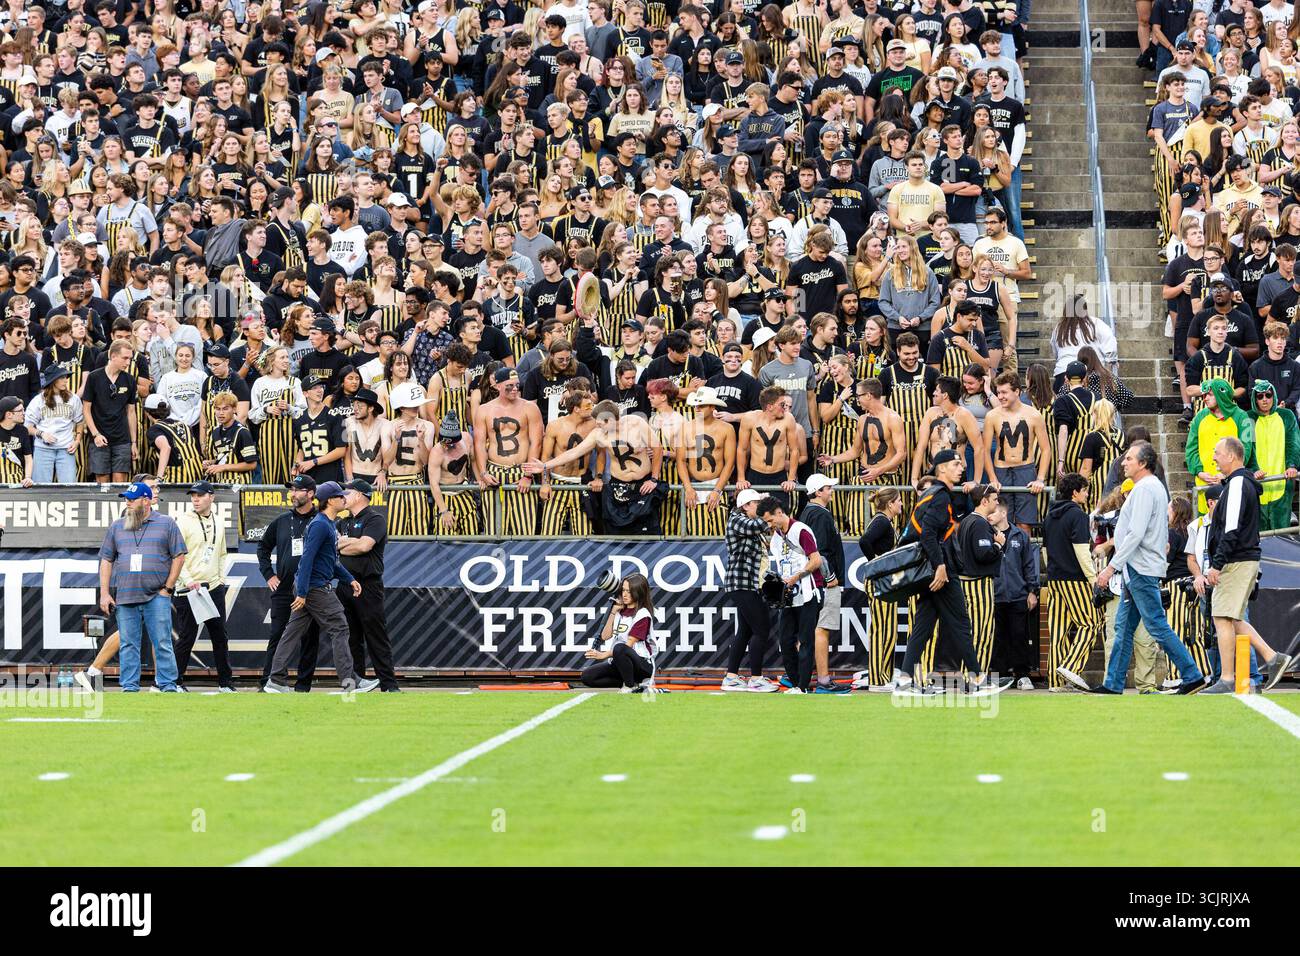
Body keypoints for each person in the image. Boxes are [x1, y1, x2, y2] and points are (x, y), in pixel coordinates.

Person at [1060, 442, 1212, 695]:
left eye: (1129, 458)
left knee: (1156, 625)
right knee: (1124, 628)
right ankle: (1113, 683)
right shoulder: (1153, 488)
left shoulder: (1144, 489)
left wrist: (1110, 569)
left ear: (1142, 463)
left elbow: (1136, 533)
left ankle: (1192, 675)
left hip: (1139, 569)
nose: (1123, 462)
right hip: (1137, 569)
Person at [895, 449, 1007, 693]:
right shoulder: (940, 495)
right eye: (956, 464)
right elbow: (928, 534)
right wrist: (941, 567)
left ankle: (904, 680)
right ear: (941, 468)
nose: (961, 468)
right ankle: (977, 679)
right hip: (940, 572)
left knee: (923, 627)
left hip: (930, 571)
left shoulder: (934, 493)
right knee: (960, 623)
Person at [264, 480, 380, 694]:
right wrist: (302, 592)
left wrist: (349, 579)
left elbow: (329, 561)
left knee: (292, 632)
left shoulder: (326, 523)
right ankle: (350, 681)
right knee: (340, 628)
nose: (345, 499)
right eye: (341, 496)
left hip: (311, 585)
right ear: (331, 501)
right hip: (315, 587)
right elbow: (307, 559)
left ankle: (276, 680)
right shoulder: (320, 524)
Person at [1201, 437, 1293, 693]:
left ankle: (1228, 679)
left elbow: (1231, 529)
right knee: (1234, 617)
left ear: (1232, 456)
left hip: (1236, 560)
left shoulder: (1239, 483)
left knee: (1221, 616)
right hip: (1243, 558)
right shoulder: (1240, 482)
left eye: (1217, 453)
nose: (1214, 458)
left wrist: (1217, 564)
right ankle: (1273, 658)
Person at [97, 480, 185, 693]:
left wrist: (168, 588)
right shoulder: (117, 526)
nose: (127, 502)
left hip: (157, 594)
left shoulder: (166, 523)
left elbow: (179, 556)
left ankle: (167, 685)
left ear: (146, 501)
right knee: (128, 644)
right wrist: (105, 593)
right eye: (125, 499)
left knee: (162, 642)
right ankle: (129, 687)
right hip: (126, 596)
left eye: (131, 499)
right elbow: (106, 560)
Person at [256, 475, 322, 693]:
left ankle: (303, 687)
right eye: (291, 490)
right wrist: (269, 575)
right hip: (284, 590)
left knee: (309, 639)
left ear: (311, 494)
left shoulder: (321, 521)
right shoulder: (282, 521)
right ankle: (270, 682)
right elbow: (263, 548)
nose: (292, 494)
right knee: (277, 635)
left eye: (297, 490)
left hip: (312, 588)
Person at [336, 478, 400, 692]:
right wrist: (349, 544)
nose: (343, 497)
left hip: (368, 585)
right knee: (350, 638)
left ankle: (389, 685)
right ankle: (357, 683)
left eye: (347, 493)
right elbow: (333, 546)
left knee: (376, 636)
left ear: (359, 495)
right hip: (344, 585)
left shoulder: (375, 519)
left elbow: (364, 546)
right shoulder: (341, 521)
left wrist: (346, 544)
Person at [1042, 471, 1103, 691]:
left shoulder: (1049, 515)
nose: (1087, 494)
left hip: (1055, 579)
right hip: (1075, 579)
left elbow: (1045, 550)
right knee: (1092, 623)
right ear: (1075, 492)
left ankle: (1056, 682)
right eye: (1085, 490)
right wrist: (1093, 579)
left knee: (1058, 630)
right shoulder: (1077, 515)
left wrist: (1052, 572)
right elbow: (1081, 550)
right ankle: (1070, 666)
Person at [172, 480, 234, 692]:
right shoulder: (183, 521)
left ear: (211, 497)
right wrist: (188, 581)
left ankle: (226, 683)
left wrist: (220, 580)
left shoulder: (219, 520)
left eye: (200, 495)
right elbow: (177, 556)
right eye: (193, 496)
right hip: (188, 589)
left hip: (213, 587)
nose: (195, 499)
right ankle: (176, 681)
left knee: (220, 636)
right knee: (187, 637)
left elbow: (222, 553)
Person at [759, 495, 824, 694]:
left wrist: (797, 575)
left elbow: (816, 560)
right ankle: (796, 682)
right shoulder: (776, 538)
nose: (769, 525)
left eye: (770, 520)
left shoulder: (801, 530)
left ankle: (802, 686)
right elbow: (779, 566)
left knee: (805, 640)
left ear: (780, 512)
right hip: (788, 594)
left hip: (808, 591)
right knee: (785, 641)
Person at [720, 488, 780, 692]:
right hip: (741, 582)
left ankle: (731, 677)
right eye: (756, 504)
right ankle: (756, 678)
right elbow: (760, 524)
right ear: (745, 506)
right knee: (761, 628)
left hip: (750, 583)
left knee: (745, 631)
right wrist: (769, 508)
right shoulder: (736, 519)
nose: (760, 508)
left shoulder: (746, 522)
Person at [799, 474, 849, 693]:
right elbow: (818, 552)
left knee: (810, 629)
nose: (832, 491)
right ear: (818, 492)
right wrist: (829, 577)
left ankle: (799, 676)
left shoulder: (809, 513)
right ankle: (823, 680)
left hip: (813, 581)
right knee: (822, 629)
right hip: (824, 581)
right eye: (828, 487)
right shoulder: (819, 515)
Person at [856, 488, 905, 691]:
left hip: (886, 582)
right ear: (891, 503)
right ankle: (877, 679)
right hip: (880, 581)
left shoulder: (885, 521)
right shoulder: (881, 521)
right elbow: (864, 541)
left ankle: (883, 675)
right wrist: (876, 563)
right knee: (881, 629)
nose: (902, 503)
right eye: (899, 500)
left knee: (889, 630)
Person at [953, 483, 1004, 674]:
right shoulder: (979, 523)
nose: (997, 503)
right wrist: (998, 545)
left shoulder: (968, 521)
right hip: (978, 584)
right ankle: (974, 677)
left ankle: (971, 676)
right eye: (994, 500)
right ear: (984, 501)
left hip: (966, 582)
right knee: (981, 634)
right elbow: (983, 554)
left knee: (973, 632)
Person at [990, 497, 1040, 689]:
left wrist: (1032, 590)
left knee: (1019, 636)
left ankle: (1022, 675)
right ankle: (999, 676)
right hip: (995, 595)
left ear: (1003, 513)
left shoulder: (1020, 535)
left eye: (993, 512)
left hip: (1018, 595)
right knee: (997, 637)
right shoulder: (985, 534)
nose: (989, 516)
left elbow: (1029, 565)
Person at [579, 573, 658, 692]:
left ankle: (629, 686)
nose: (624, 594)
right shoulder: (620, 611)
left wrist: (603, 655)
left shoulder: (643, 614)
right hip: (621, 662)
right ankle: (632, 683)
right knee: (587, 676)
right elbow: (605, 636)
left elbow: (627, 646)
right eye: (623, 590)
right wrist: (613, 611)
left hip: (641, 665)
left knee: (619, 647)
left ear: (638, 592)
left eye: (629, 591)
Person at [1246, 379, 1300, 530]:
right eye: (1260, 396)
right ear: (1254, 399)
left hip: (1281, 481)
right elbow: (1246, 448)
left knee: (1282, 533)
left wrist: (1292, 465)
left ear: (1273, 396)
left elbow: (1293, 443)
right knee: (1259, 535)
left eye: (1268, 395)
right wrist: (1253, 469)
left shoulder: (1286, 416)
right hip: (1257, 483)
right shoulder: (1248, 418)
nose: (1264, 399)